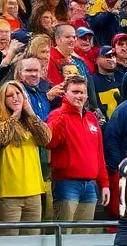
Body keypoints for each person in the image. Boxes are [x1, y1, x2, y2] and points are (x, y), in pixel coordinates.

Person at [47, 74, 109, 229]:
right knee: (63, 235)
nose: (79, 96)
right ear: (65, 93)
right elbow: (50, 143)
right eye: (75, 92)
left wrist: (105, 183)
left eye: (82, 92)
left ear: (87, 95)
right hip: (66, 184)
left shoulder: (92, 118)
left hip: (90, 185)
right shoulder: (56, 115)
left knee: (82, 238)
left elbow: (99, 153)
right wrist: (61, 118)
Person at [0, 79, 51, 233]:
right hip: (9, 191)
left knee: (32, 245)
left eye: (18, 93)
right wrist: (15, 115)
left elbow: (46, 139)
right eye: (10, 96)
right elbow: (1, 139)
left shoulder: (30, 120)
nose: (15, 98)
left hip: (34, 190)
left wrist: (30, 113)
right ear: (3, 100)